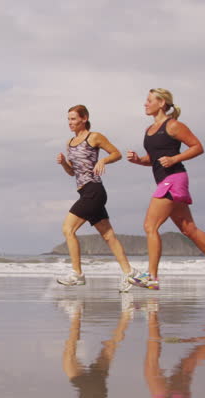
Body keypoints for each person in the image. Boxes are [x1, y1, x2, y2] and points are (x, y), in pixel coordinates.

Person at [126, 89, 205, 291]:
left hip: (174, 178)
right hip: (166, 180)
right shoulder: (149, 129)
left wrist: (175, 159)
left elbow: (197, 146)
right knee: (188, 229)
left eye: (149, 100)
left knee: (150, 226)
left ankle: (152, 277)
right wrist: (138, 160)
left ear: (162, 103)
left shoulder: (173, 125)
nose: (145, 104)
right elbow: (154, 159)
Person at [55, 105, 138, 291]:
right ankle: (129, 273)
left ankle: (77, 274)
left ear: (84, 119)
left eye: (73, 119)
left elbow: (116, 153)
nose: (70, 123)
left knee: (68, 229)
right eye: (68, 119)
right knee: (108, 236)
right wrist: (63, 164)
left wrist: (103, 160)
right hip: (85, 191)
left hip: (95, 191)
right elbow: (72, 173)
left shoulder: (94, 137)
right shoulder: (70, 142)